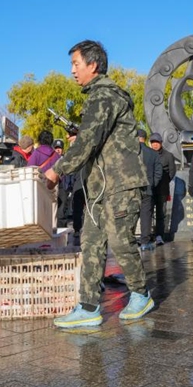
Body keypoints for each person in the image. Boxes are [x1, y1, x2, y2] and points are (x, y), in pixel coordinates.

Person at [44, 40, 152, 327]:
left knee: (120, 239)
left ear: (92, 65)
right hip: (100, 187)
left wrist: (57, 170)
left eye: (75, 64)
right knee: (91, 243)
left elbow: (89, 141)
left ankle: (141, 293)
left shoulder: (104, 95)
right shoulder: (97, 96)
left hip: (120, 183)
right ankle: (89, 306)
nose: (72, 71)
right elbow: (93, 139)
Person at [137, 129, 162, 251]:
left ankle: (129, 240)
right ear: (145, 139)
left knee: (131, 214)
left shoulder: (131, 152)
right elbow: (158, 172)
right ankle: (144, 241)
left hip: (133, 189)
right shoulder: (153, 153)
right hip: (148, 188)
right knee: (146, 215)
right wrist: (152, 184)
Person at [149, 132, 176, 246]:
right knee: (148, 212)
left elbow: (172, 171)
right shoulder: (148, 154)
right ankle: (148, 235)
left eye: (157, 142)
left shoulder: (168, 155)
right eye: (153, 142)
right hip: (150, 189)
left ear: (161, 143)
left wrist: (165, 181)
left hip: (162, 189)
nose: (155, 145)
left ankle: (159, 235)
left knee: (161, 213)